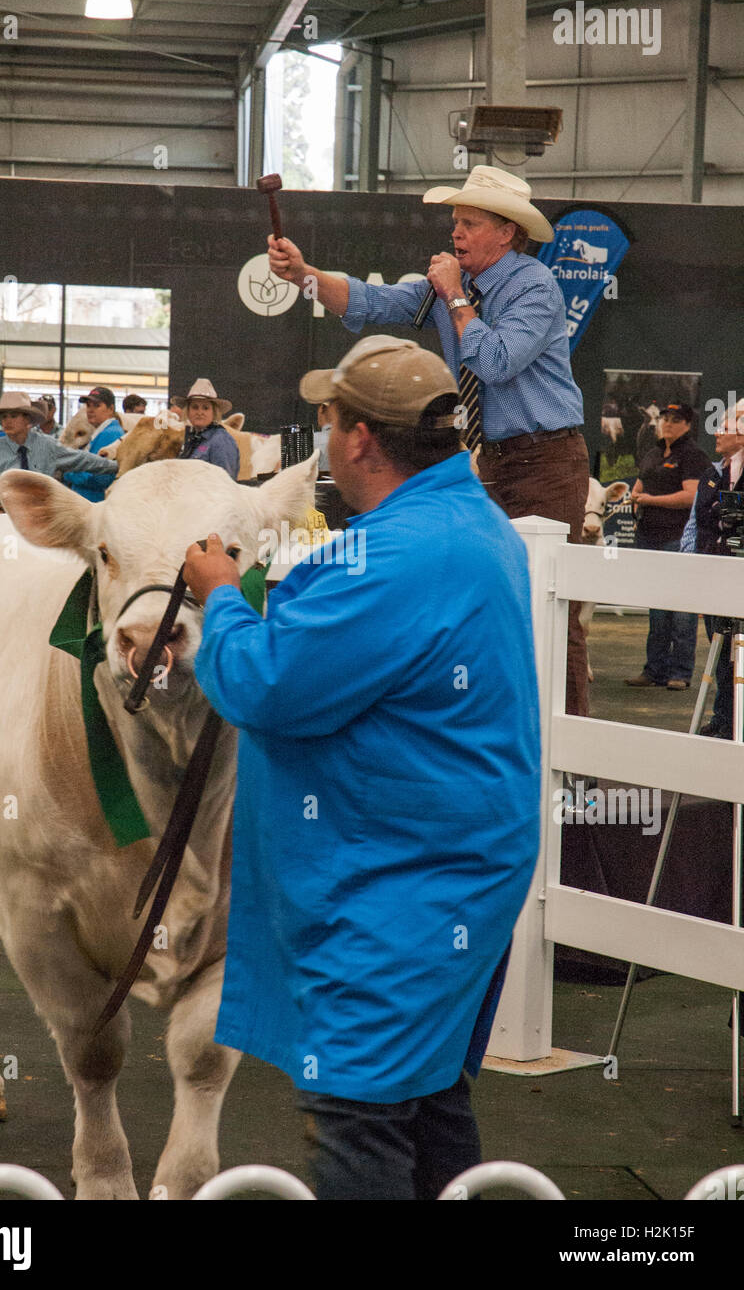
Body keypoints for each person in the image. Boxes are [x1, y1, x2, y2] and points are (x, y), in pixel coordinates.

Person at [184, 335, 540, 1201]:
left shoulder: (399, 555)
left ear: (358, 440)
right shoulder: (465, 523)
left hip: (398, 879)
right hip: (442, 860)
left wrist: (221, 597)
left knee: (358, 1106)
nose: (325, 435)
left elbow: (264, 685)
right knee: (425, 1093)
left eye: (329, 418)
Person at [267, 163, 590, 717]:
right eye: (455, 222)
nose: (455, 233)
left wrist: (455, 298)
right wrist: (304, 276)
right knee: (487, 593)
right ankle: (500, 718)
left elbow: (493, 362)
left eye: (468, 223)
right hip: (494, 460)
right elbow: (372, 301)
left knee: (554, 603)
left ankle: (570, 751)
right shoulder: (454, 287)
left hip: (547, 461)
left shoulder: (535, 287)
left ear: (506, 232)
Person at [625, 401, 711, 690]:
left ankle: (681, 673)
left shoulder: (693, 455)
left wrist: (650, 500)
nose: (668, 424)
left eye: (675, 419)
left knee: (682, 609)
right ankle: (654, 670)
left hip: (677, 539)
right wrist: (635, 497)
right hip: (649, 535)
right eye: (664, 418)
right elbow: (638, 487)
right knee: (657, 608)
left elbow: (691, 497)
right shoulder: (651, 453)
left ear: (687, 425)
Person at [680, 404, 744, 737]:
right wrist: (692, 567)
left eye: (725, 427)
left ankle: (736, 722)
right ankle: (724, 718)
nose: (717, 432)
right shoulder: (711, 473)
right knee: (720, 654)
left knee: (739, 655)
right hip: (714, 580)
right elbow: (694, 524)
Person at [0, 391, 117, 512]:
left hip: (41, 516)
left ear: (27, 420)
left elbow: (83, 460)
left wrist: (118, 466)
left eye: (14, 416)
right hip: (3, 516)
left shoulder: (47, 446)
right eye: (5, 416)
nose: (7, 421)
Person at [63, 386, 125, 504]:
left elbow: (101, 478)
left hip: (93, 502)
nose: (90, 410)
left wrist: (68, 472)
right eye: (88, 405)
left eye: (97, 406)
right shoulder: (102, 432)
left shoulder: (110, 434)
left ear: (111, 409)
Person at [175, 378, 239, 479]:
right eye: (195, 407)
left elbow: (226, 483)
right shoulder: (192, 439)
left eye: (205, 408)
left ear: (214, 412)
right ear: (188, 411)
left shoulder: (221, 440)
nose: (200, 412)